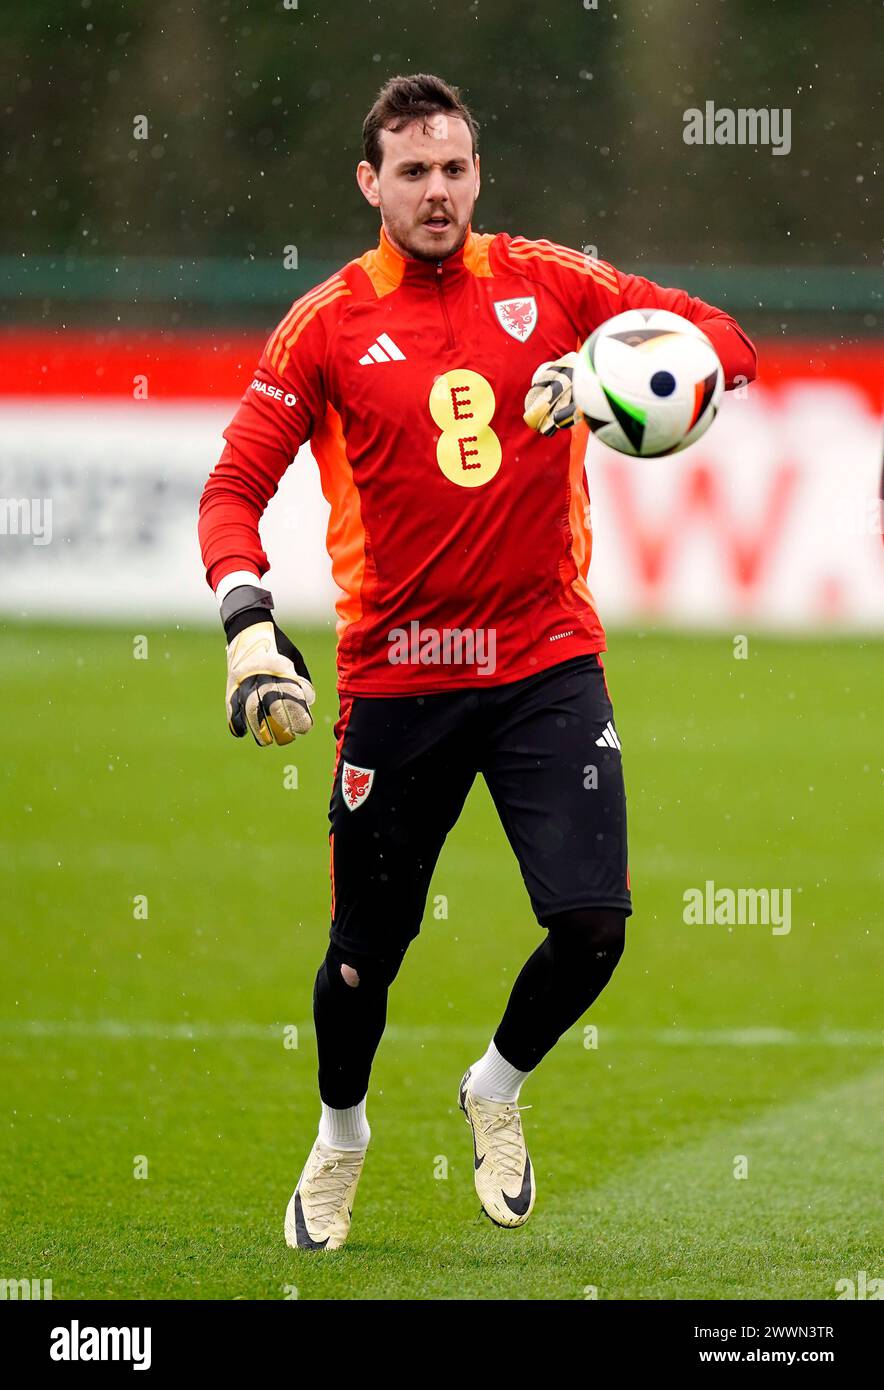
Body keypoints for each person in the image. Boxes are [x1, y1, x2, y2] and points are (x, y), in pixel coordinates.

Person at [198, 72, 757, 1251]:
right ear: (371, 183)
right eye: (413, 171)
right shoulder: (326, 322)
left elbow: (725, 341)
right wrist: (250, 623)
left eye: (453, 168)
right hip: (396, 679)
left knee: (594, 926)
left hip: (543, 658)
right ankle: (341, 1134)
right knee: (360, 962)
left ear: (477, 172)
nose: (437, 191)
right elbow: (234, 487)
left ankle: (493, 1086)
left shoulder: (552, 284)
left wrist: (609, 381)